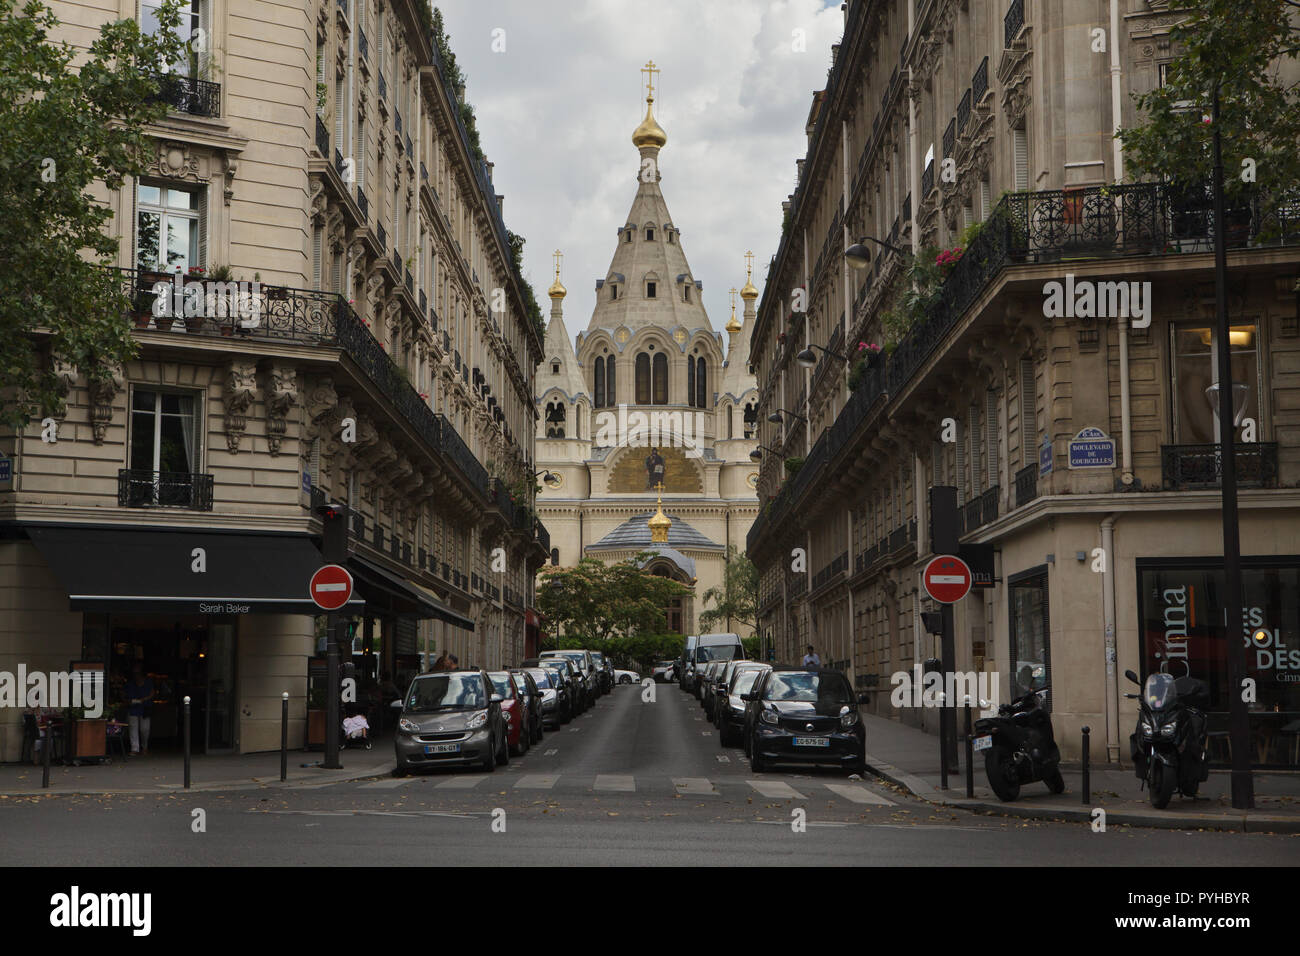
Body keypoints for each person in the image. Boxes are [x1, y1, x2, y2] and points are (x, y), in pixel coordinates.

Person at [123, 664, 155, 756]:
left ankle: (144, 747)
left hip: (145, 708)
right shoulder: (130, 683)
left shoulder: (148, 682)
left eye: (138, 672)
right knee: (133, 728)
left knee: (145, 729)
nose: (136, 674)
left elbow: (153, 693)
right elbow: (124, 694)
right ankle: (135, 748)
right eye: (134, 673)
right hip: (133, 708)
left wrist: (145, 699)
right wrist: (128, 701)